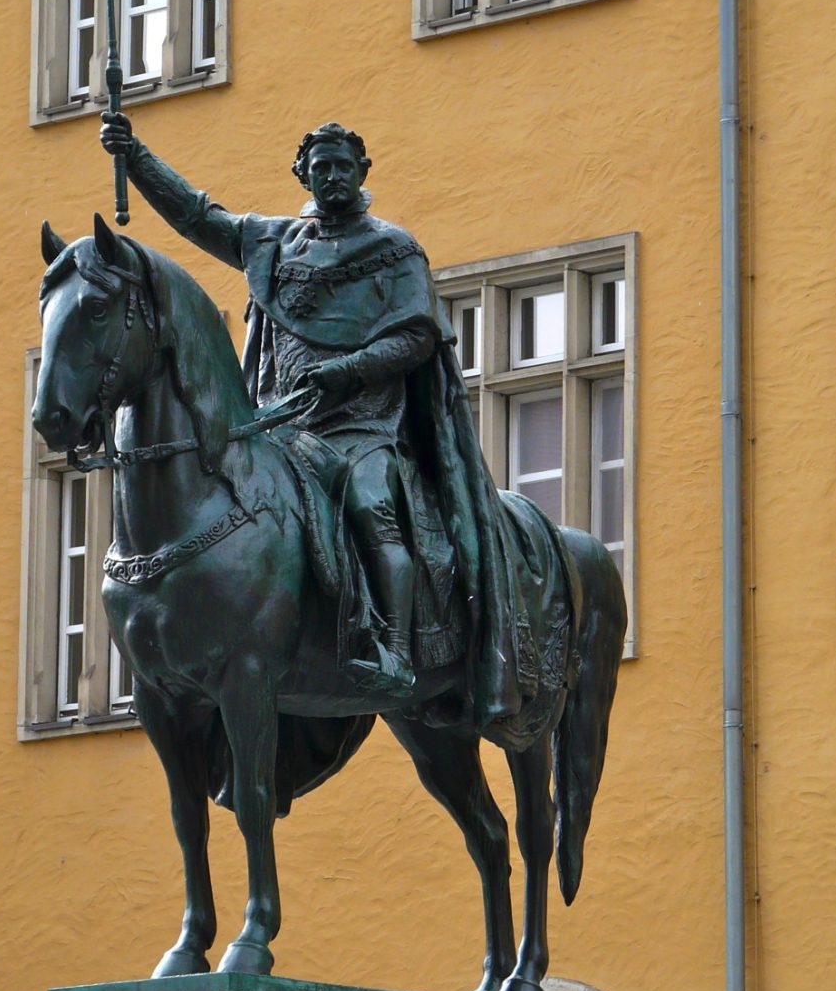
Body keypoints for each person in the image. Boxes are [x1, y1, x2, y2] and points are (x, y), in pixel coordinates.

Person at [100, 113, 544, 729]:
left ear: (362, 172)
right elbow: (198, 215)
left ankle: (391, 647)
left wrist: (348, 370)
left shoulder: (394, 249)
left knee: (367, 504)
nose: (331, 176)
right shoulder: (274, 243)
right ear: (302, 175)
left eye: (342, 166)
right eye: (320, 167)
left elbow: (417, 335)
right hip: (281, 427)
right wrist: (136, 155)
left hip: (366, 424)